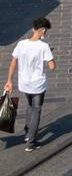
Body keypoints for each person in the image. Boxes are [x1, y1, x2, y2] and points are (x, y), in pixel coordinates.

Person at [4, 16, 55, 150]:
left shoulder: (21, 44)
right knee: (36, 110)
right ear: (43, 31)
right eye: (46, 31)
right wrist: (51, 59)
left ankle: (27, 133)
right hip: (38, 85)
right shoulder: (44, 47)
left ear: (33, 29)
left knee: (30, 106)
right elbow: (52, 66)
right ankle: (31, 142)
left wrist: (9, 81)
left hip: (24, 84)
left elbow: (13, 63)